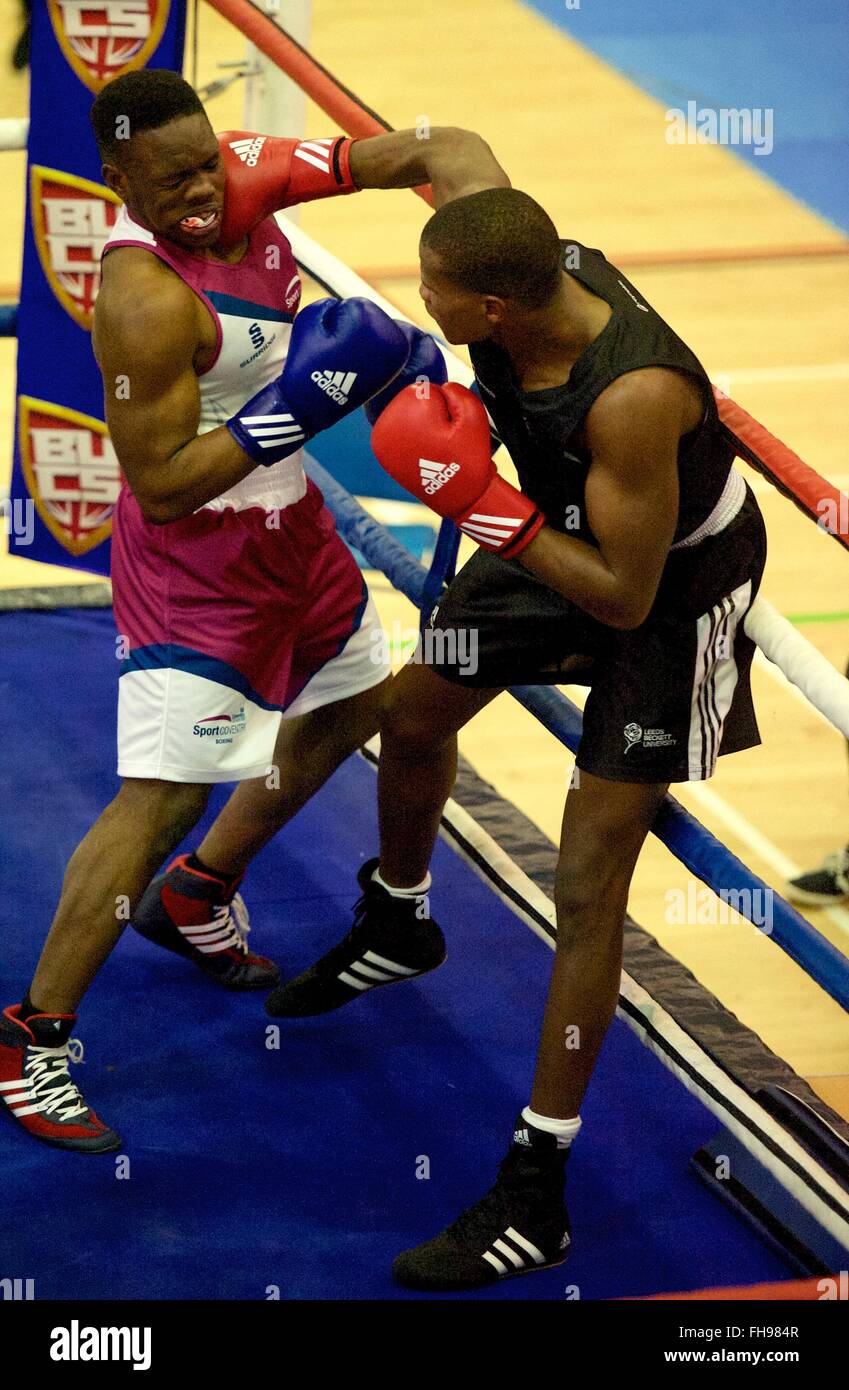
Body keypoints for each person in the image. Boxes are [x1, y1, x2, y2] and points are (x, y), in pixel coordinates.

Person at [267, 184, 769, 1290]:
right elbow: (453, 152)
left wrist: (481, 503)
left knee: (588, 880)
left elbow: (624, 601)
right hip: (556, 530)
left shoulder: (633, 394)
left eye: (436, 291)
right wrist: (329, 155)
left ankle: (538, 1188)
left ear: (495, 306)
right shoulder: (529, 272)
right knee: (413, 709)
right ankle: (399, 918)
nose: (421, 300)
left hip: (661, 594)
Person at [0, 67, 509, 1153]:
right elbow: (163, 483)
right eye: (170, 178)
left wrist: (520, 282)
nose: (201, 193)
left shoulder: (245, 177)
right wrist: (304, 403)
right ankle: (31, 1036)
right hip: (198, 566)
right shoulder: (139, 299)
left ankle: (200, 892)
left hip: (295, 540)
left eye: (206, 166)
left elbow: (438, 142)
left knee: (355, 702)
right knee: (161, 798)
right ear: (116, 181)